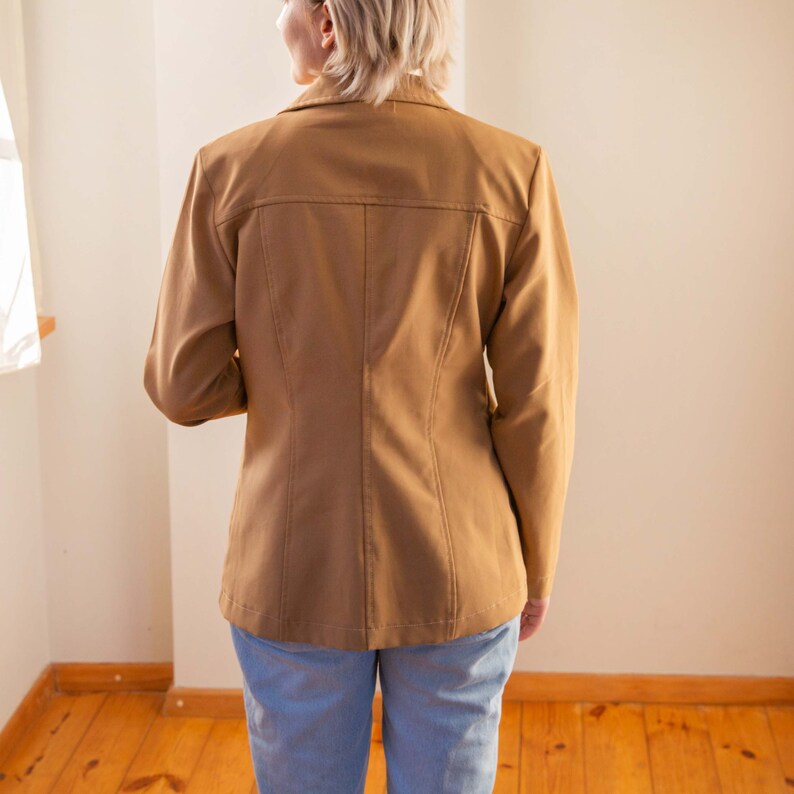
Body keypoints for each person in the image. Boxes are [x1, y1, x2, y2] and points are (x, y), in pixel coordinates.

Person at [143, 0, 579, 790]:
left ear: (331, 25)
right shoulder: (513, 170)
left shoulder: (230, 167)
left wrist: (289, 375)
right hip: (460, 565)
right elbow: (537, 404)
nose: (280, 20)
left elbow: (182, 383)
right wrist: (536, 565)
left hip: (292, 562)